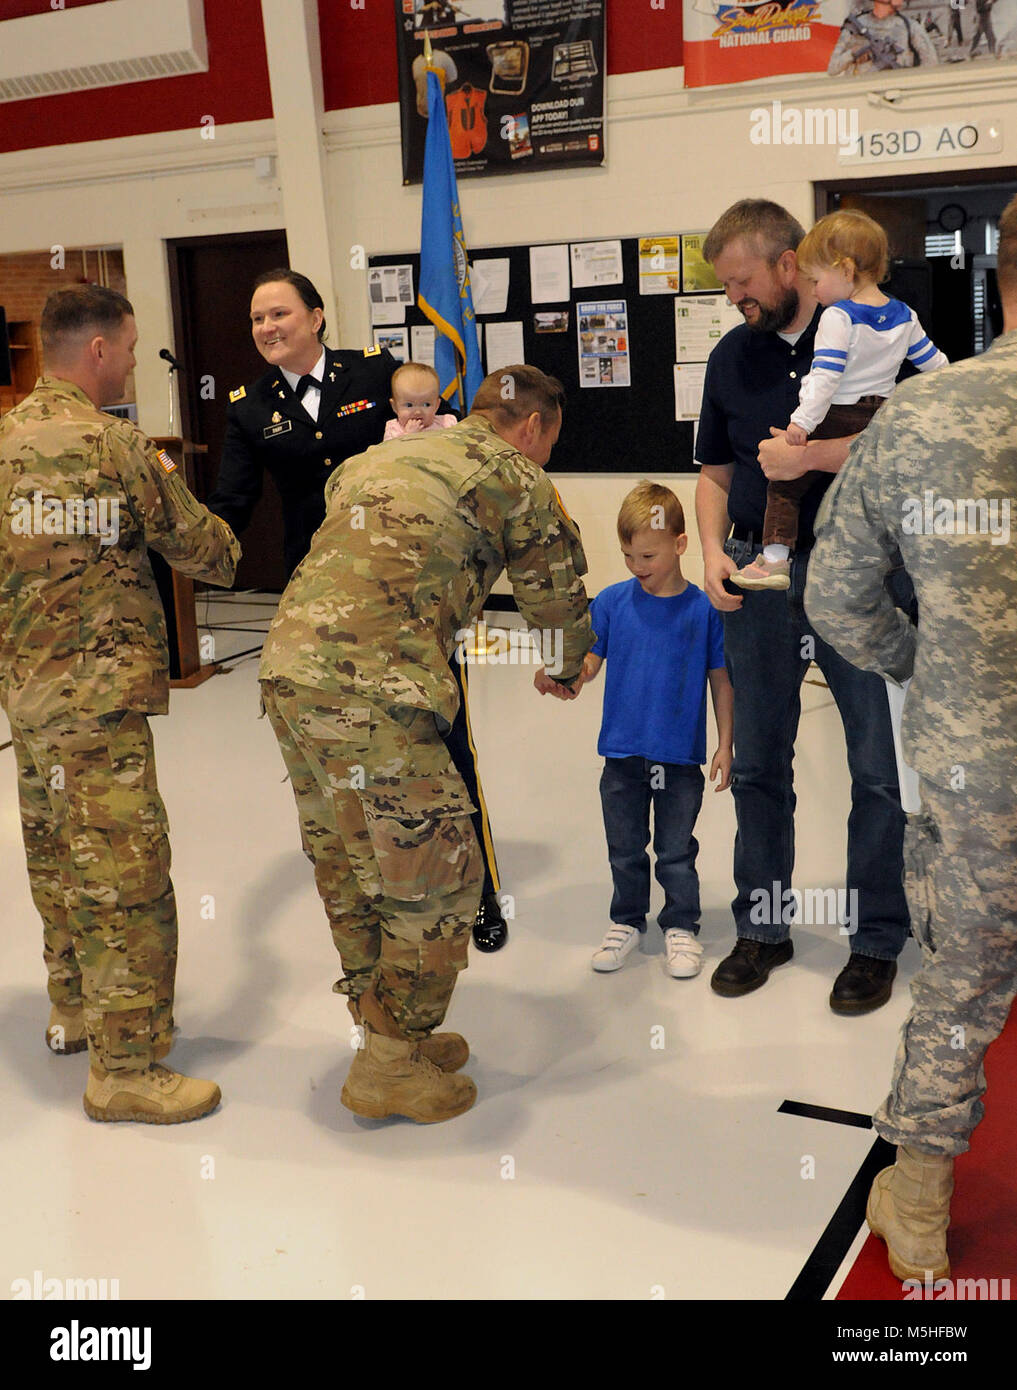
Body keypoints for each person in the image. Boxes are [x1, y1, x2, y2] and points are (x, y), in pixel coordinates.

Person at [259, 365, 593, 1123]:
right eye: (548, 442)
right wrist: (568, 667)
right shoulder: (513, 474)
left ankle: (389, 1035)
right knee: (438, 873)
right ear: (534, 428)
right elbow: (553, 596)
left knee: (350, 861)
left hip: (287, 673)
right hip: (373, 690)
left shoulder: (373, 458)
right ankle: (386, 1066)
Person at [804, 191, 1017, 1284]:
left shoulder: (925, 414)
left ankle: (921, 1204)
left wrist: (918, 661)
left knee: (964, 977)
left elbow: (834, 595)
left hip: (979, 763)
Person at [208, 269, 508, 952]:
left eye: (278, 313)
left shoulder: (375, 378)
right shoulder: (248, 407)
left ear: (316, 317)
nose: (265, 328)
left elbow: (440, 447)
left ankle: (480, 894)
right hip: (316, 604)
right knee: (340, 751)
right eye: (256, 319)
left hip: (407, 594)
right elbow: (230, 507)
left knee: (444, 739)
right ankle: (381, 895)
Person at [0, 286, 240, 1123]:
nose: (134, 360)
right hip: (98, 705)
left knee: (56, 856)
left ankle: (71, 1009)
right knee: (124, 875)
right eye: (131, 347)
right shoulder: (116, 445)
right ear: (97, 350)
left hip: (27, 701)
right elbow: (207, 552)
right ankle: (127, 1067)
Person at [695, 199, 910, 1014]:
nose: (734, 298)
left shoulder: (883, 334)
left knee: (874, 769)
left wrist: (811, 454)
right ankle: (763, 927)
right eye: (726, 286)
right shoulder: (730, 357)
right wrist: (712, 552)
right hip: (758, 572)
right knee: (755, 761)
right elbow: (714, 473)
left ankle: (875, 940)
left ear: (789, 264)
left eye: (742, 281)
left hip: (864, 574)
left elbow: (909, 436)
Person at [535, 482, 732, 978]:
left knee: (675, 850)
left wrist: (726, 743)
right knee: (624, 847)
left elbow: (720, 681)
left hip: (680, 759)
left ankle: (681, 925)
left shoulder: (703, 610)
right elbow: (589, 666)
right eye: (627, 555)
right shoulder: (612, 603)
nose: (637, 566)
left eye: (647, 554)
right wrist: (561, 673)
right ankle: (626, 920)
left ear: (680, 544)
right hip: (621, 755)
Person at [732, 209, 947, 590]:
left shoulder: (838, 316)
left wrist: (801, 425)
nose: (813, 290)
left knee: (784, 479)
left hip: (841, 412)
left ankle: (776, 559)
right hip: (882, 414)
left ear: (846, 270)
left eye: (816, 279)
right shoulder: (904, 315)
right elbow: (938, 368)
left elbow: (826, 378)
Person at [827, 0, 938, 74]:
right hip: (862, 95)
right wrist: (852, 54)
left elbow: (931, 66)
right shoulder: (855, 26)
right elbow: (832, 69)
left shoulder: (911, 27)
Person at [384, 362, 460, 439]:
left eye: (426, 404)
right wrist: (408, 436)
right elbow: (391, 450)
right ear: (395, 407)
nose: (418, 412)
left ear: (437, 405)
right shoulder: (393, 430)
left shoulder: (447, 423)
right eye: (409, 405)